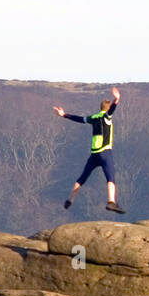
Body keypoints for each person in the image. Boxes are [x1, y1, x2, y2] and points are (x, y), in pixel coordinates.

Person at [54, 86, 125, 214]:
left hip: (94, 154)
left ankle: (70, 200)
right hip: (105, 153)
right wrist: (117, 99)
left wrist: (64, 115)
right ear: (107, 109)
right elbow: (112, 110)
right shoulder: (106, 117)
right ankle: (111, 202)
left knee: (82, 178)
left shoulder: (93, 117)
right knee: (111, 178)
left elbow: (80, 119)